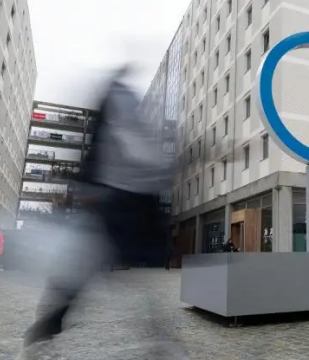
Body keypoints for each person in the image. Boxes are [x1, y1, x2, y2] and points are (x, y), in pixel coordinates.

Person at [21, 67, 187, 359]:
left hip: (121, 204)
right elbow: (131, 153)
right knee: (88, 273)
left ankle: (157, 339)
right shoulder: (118, 109)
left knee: (96, 274)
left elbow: (132, 156)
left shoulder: (119, 113)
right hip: (116, 204)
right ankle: (44, 334)